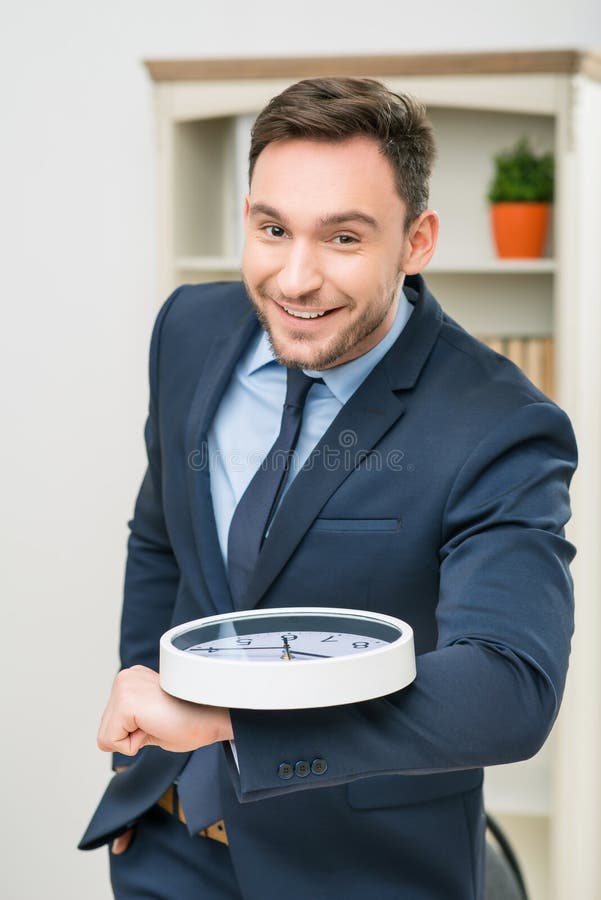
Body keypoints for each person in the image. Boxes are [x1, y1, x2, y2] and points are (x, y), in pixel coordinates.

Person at [79, 77, 577, 900]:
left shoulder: (499, 423)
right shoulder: (187, 331)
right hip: (168, 848)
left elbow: (508, 687)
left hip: (360, 872)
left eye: (343, 237)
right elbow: (163, 541)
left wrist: (229, 721)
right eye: (273, 229)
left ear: (416, 241)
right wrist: (145, 752)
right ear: (246, 217)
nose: (296, 278)